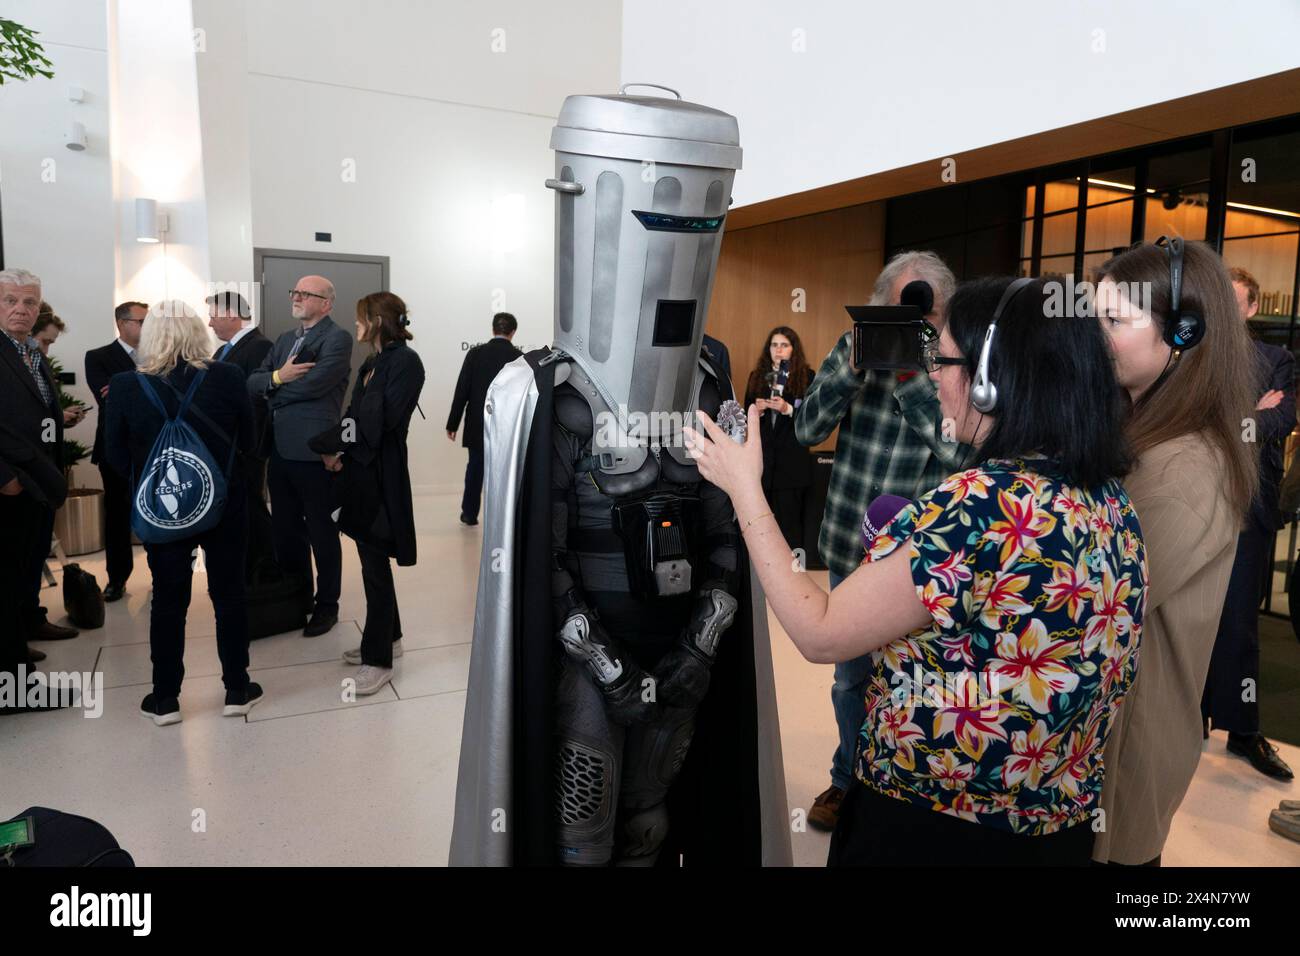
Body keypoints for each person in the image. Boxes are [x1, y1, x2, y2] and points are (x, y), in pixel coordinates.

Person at [686, 275, 1147, 866]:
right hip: (1055, 826)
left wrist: (745, 489)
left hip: (931, 825)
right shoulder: (1114, 503)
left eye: (942, 356)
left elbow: (819, 629)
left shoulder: (981, 505)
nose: (930, 371)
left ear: (987, 381)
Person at [1091, 238, 1260, 866]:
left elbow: (1094, 601)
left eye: (1116, 320)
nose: (1096, 336)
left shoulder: (1188, 466)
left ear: (1185, 334)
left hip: (1127, 753)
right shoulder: (1139, 429)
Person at [793, 249, 963, 830]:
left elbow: (956, 452)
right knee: (850, 678)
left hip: (917, 561)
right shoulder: (852, 348)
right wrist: (854, 369)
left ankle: (894, 789)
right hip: (849, 544)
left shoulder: (955, 369)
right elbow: (805, 429)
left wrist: (915, 381)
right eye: (900, 312)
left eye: (927, 316)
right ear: (878, 306)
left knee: (911, 678)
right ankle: (847, 780)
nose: (913, 327)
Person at [105, 299, 259, 725]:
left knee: (168, 600)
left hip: (163, 510)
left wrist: (154, 478)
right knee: (229, 594)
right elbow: (250, 440)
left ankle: (166, 699)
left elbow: (113, 456)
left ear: (149, 334)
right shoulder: (228, 376)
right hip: (225, 504)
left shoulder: (125, 385)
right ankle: (237, 690)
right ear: (198, 331)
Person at [1200, 267, 1295, 780]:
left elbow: (1280, 420)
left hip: (1247, 508)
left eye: (1235, 302)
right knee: (1186, 617)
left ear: (1252, 309)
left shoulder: (1278, 360)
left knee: (1238, 623)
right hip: (1193, 503)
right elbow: (1184, 421)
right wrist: (1249, 416)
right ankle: (1190, 716)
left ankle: (1243, 731)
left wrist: (1236, 421)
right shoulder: (1191, 358)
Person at [309, 292, 425, 696]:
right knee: (370, 559)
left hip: (382, 474)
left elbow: (379, 422)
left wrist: (334, 444)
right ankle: (389, 636)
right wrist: (332, 446)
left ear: (376, 321)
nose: (355, 325)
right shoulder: (374, 363)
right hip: (361, 469)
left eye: (361, 319)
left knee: (375, 564)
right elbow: (354, 417)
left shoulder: (406, 362)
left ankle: (379, 661)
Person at [247, 275, 353, 637]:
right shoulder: (284, 339)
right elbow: (253, 381)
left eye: (305, 294)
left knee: (322, 530)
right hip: (279, 448)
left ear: (326, 303)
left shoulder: (337, 338)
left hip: (313, 450)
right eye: (294, 291)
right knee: (286, 529)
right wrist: (278, 377)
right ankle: (297, 598)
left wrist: (273, 392)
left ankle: (328, 605)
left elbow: (318, 383)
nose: (296, 297)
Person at [0, 269, 69, 680]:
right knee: (5, 581)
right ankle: (14, 682)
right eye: (10, 300)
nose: (21, 310)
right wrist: (4, 477)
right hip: (10, 485)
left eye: (30, 303)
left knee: (22, 574)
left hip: (37, 483)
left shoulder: (29, 352)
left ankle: (18, 648)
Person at [85, 301, 148, 602]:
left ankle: (161, 574)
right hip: (114, 448)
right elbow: (107, 399)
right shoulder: (98, 357)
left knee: (157, 511)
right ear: (123, 323)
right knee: (117, 515)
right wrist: (145, 386)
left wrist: (125, 387)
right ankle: (117, 579)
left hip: (152, 447)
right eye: (141, 321)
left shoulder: (158, 354)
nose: (147, 327)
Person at [208, 291, 275, 564]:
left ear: (231, 315)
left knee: (252, 504)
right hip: (228, 444)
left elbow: (254, 400)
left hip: (246, 443)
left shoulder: (258, 346)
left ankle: (265, 566)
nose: (210, 323)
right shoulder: (222, 350)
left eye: (213, 316)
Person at [445, 312, 521, 526]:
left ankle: (469, 513)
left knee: (475, 467)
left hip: (477, 422)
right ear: (513, 332)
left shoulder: (475, 354)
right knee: (505, 472)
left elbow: (462, 390)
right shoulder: (518, 357)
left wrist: (453, 423)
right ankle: (501, 516)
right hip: (507, 424)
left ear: (493, 329)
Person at [742, 326, 814, 547]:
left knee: (789, 528)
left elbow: (813, 418)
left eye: (784, 345)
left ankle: (791, 575)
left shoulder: (807, 376)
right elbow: (745, 414)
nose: (779, 350)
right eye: (774, 345)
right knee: (761, 524)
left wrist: (787, 409)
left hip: (791, 464)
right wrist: (758, 409)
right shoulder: (757, 377)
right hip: (763, 463)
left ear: (793, 349)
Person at [32, 307, 88, 428]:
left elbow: (41, 413)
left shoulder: (42, 366)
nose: (46, 351)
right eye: (45, 342)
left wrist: (62, 417)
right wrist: (59, 417)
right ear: (28, 333)